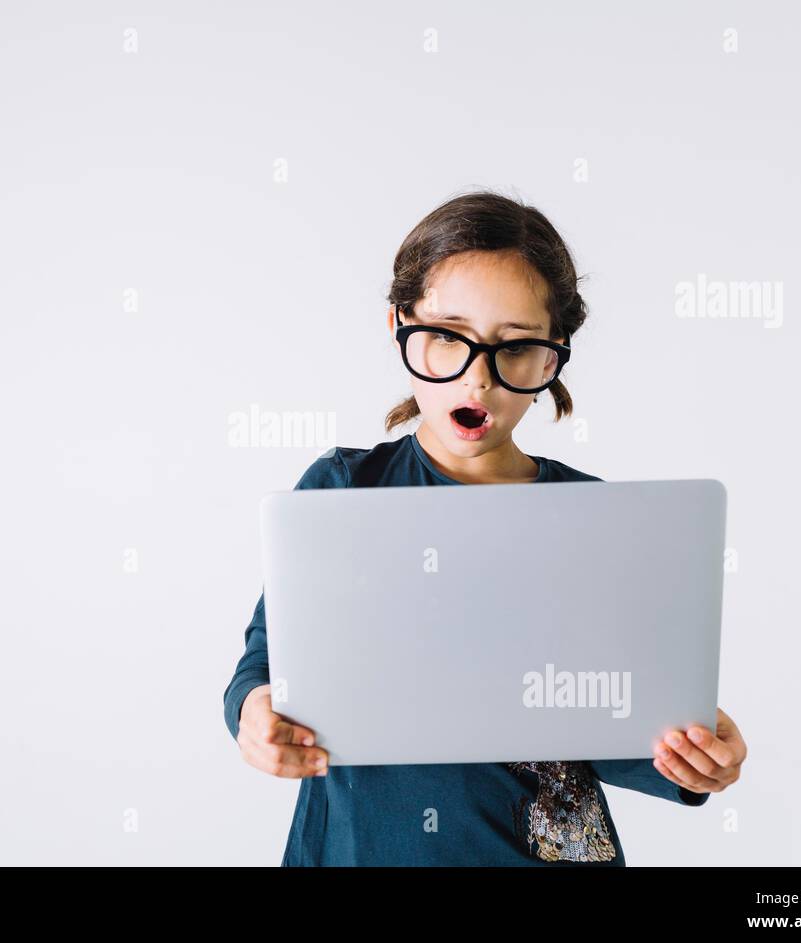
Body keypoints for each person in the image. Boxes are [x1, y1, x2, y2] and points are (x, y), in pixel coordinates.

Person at [222, 189, 747, 866]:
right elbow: (266, 662)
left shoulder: (598, 520)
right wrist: (257, 711)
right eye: (446, 336)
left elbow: (607, 718)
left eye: (516, 346)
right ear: (399, 325)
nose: (478, 380)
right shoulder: (345, 491)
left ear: (551, 358)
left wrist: (691, 753)